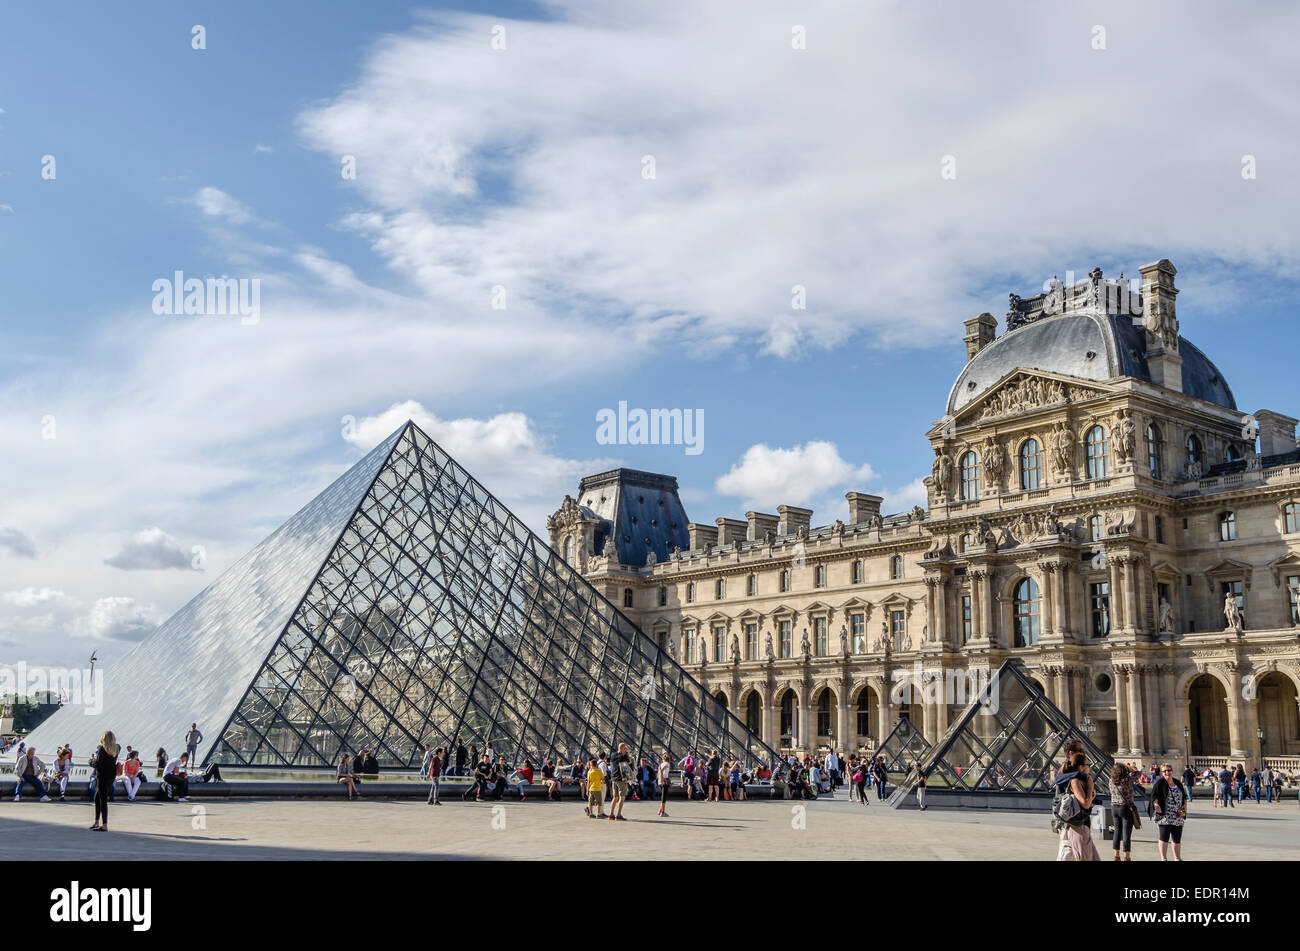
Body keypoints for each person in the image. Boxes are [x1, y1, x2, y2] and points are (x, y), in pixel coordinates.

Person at [1061, 753, 1100, 860]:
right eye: (1088, 764)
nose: (1090, 767)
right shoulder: (1075, 781)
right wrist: (1091, 788)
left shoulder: (1082, 781)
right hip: (1078, 827)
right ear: (1081, 767)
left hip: (1083, 826)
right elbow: (1085, 804)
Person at [1152, 763, 1188, 861]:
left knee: (1177, 838)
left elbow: (1184, 797)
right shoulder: (1159, 783)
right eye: (1165, 771)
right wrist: (1156, 805)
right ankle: (1164, 859)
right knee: (1164, 837)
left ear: (1172, 771)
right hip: (1165, 815)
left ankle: (1177, 858)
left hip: (1178, 814)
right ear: (1162, 772)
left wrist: (1184, 807)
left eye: (1169, 770)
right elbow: (1154, 796)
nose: (1167, 772)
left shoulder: (1177, 783)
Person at [88, 731, 119, 831]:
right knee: (98, 797)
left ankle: (104, 825)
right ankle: (97, 821)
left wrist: (91, 762)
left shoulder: (102, 749)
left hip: (102, 776)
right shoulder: (116, 749)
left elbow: (98, 764)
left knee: (102, 800)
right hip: (111, 776)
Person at [1110, 762, 1138, 861]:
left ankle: (1116, 856)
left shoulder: (1111, 781)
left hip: (1114, 808)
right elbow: (1137, 772)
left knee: (1117, 832)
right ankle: (1127, 856)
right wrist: (1127, 766)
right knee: (1126, 834)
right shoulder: (1127, 780)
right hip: (1125, 808)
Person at [609, 743, 632, 820]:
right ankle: (618, 815)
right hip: (621, 779)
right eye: (625, 748)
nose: (626, 750)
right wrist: (626, 753)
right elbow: (629, 762)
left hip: (614, 779)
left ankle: (611, 814)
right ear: (622, 749)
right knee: (622, 797)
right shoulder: (624, 756)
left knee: (615, 797)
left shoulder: (613, 755)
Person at [656, 752, 671, 817]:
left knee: (662, 797)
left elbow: (659, 772)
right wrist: (662, 780)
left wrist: (660, 779)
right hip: (664, 781)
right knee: (664, 798)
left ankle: (660, 810)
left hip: (660, 781)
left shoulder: (661, 764)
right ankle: (663, 812)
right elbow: (662, 771)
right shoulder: (667, 764)